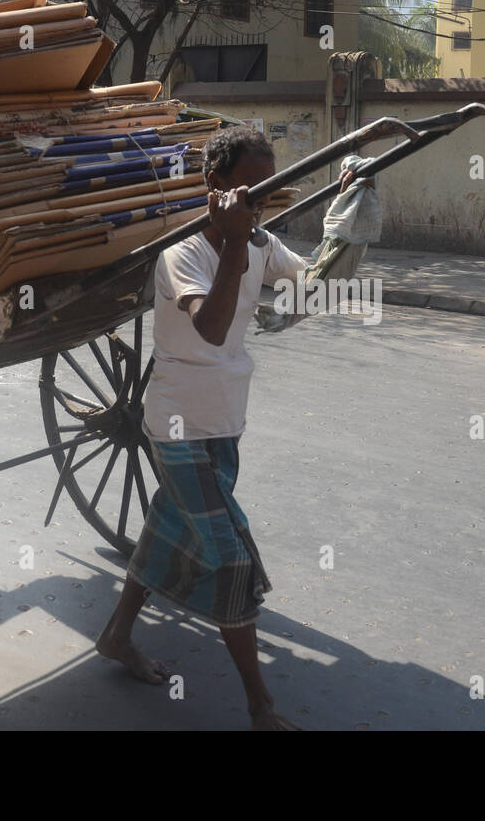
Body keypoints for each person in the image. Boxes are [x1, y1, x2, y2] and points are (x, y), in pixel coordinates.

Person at [95, 126, 322, 730]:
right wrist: (235, 246)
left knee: (166, 528)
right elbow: (215, 328)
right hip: (177, 428)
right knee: (231, 561)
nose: (259, 202)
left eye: (267, 192)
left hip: (225, 422)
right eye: (250, 188)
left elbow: (314, 284)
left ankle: (116, 635)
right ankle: (261, 708)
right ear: (216, 186)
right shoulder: (184, 255)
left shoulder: (262, 241)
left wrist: (348, 218)